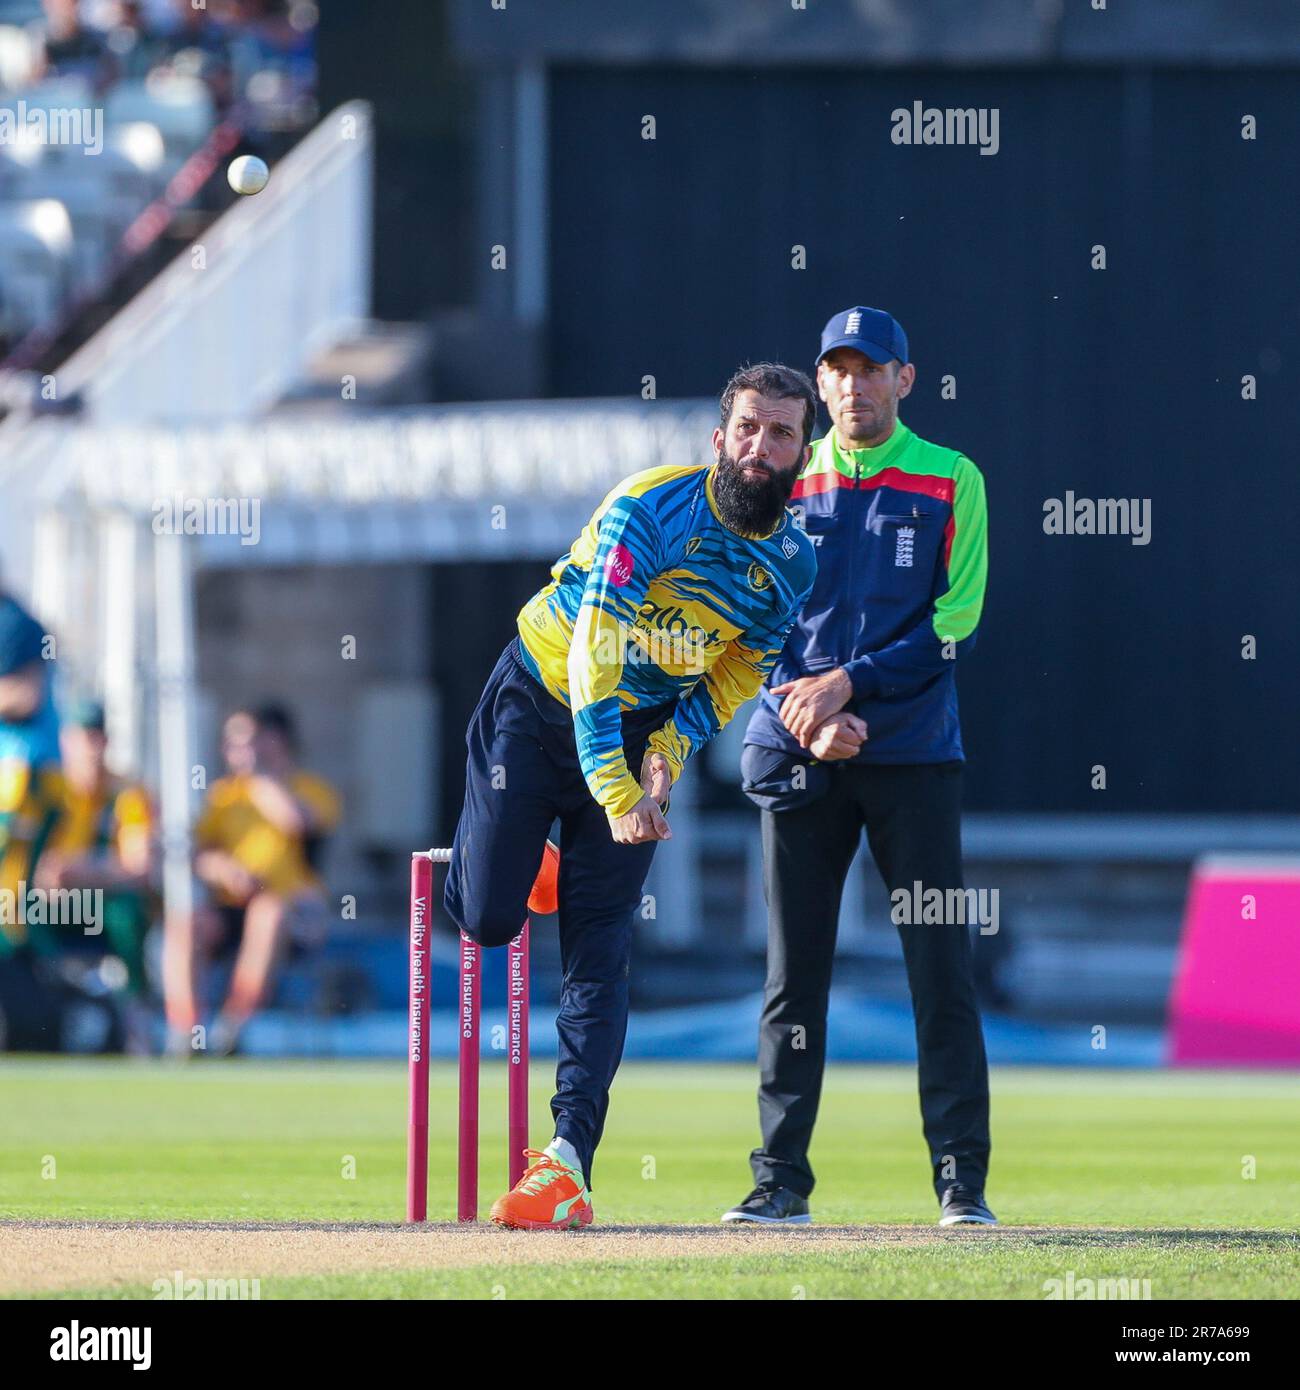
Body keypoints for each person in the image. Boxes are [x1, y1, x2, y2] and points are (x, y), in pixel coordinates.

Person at [444, 363, 819, 1230]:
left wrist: (672, 753)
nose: (762, 449)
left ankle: (566, 1161)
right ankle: (524, 849)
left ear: (804, 452)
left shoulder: (792, 564)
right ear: (719, 438)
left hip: (644, 730)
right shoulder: (649, 508)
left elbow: (736, 672)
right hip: (541, 700)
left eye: (783, 435)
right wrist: (615, 787)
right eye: (750, 429)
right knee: (491, 921)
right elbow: (593, 656)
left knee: (601, 945)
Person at [722, 307, 994, 1228]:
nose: (852, 385)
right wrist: (809, 717)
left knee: (940, 971)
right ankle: (777, 1186)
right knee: (792, 979)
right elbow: (749, 624)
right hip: (807, 755)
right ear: (820, 378)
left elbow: (953, 624)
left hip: (914, 755)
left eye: (870, 368)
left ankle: (961, 1187)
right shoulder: (785, 479)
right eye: (837, 369)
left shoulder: (954, 478)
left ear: (903, 379)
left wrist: (849, 687)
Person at [166, 703, 340, 1055]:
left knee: (268, 913)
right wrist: (222, 869)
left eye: (249, 742)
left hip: (292, 911)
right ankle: (187, 1031)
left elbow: (297, 822)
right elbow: (198, 854)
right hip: (232, 906)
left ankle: (232, 1028)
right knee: (186, 926)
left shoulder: (311, 789)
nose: (239, 753)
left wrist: (260, 779)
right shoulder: (224, 796)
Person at [30, 700, 157, 1051]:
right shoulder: (48, 789)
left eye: (96, 737)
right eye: (81, 737)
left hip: (101, 905)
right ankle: (31, 1010)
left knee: (126, 916)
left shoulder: (125, 794)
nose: (89, 747)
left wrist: (82, 872)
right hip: (46, 903)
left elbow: (138, 867)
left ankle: (136, 1018)